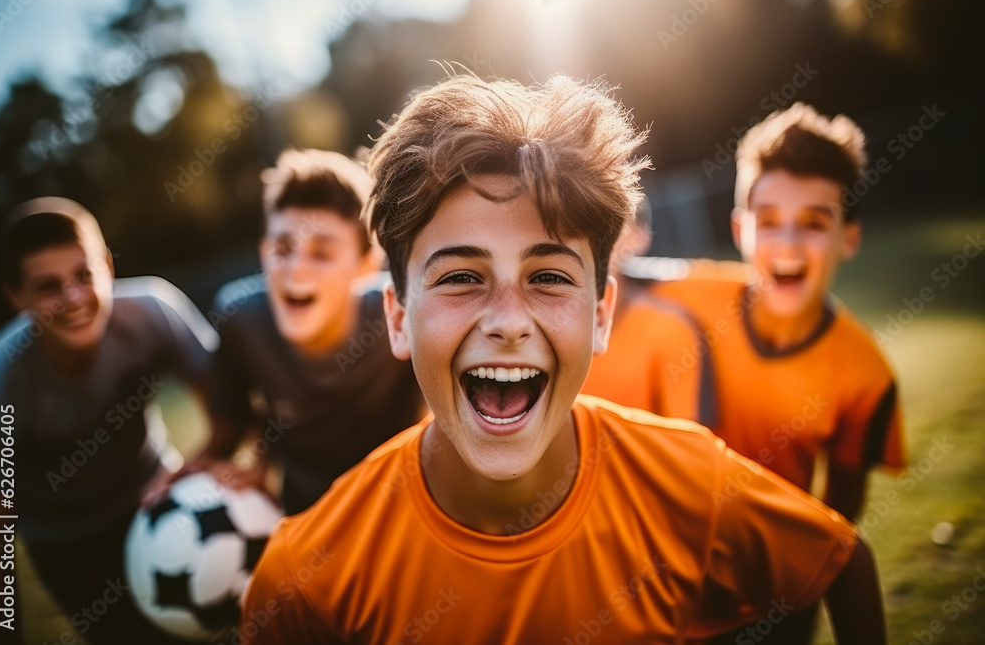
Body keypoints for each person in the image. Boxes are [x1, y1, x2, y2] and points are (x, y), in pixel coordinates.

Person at [238, 74, 887, 644]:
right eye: (461, 276)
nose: (508, 321)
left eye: (548, 277)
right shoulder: (304, 573)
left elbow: (842, 557)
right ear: (398, 316)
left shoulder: (687, 480)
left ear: (600, 312)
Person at [651, 103, 906, 522]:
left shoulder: (866, 373)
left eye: (813, 223)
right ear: (739, 231)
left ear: (850, 238)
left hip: (769, 574)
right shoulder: (682, 297)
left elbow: (838, 519)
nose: (788, 243)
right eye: (768, 221)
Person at [0, 197, 217, 644]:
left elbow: (226, 403)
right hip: (68, 548)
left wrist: (204, 467)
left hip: (158, 502)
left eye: (83, 274)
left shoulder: (154, 312)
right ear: (16, 297)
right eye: (49, 286)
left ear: (108, 266)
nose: (73, 298)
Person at [179, 149, 424, 515]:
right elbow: (230, 427)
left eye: (321, 253)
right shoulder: (241, 319)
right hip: (303, 522)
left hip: (401, 514)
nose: (296, 268)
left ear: (365, 265)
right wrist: (198, 469)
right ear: (263, 252)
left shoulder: (405, 312)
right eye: (283, 248)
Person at [581, 198, 716, 424]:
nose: (586, 233)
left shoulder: (670, 329)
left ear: (639, 236)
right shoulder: (531, 327)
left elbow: (687, 444)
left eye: (605, 219)